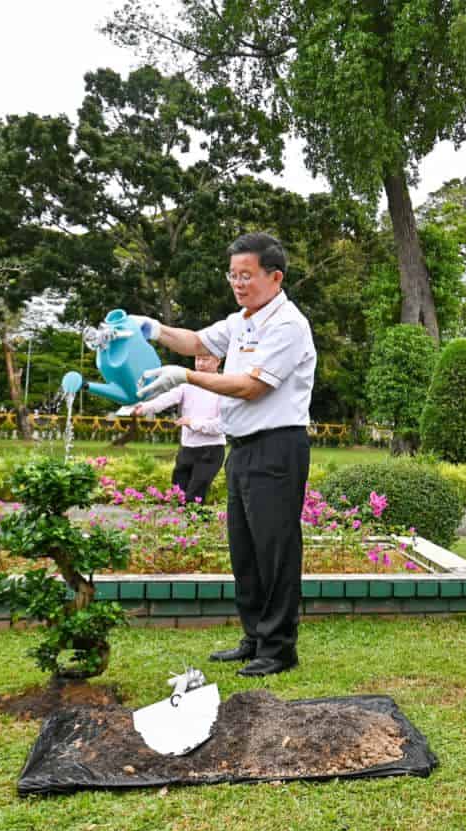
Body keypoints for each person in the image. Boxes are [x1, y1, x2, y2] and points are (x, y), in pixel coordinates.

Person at [134, 232, 316, 677]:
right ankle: (254, 637)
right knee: (245, 549)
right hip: (243, 447)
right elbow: (196, 341)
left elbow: (251, 387)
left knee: (275, 549)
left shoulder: (288, 325)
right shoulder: (242, 321)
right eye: (233, 275)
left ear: (275, 277)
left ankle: (279, 648)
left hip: (277, 446)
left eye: (246, 275)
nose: (238, 283)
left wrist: (186, 378)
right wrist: (153, 329)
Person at [133, 353, 226, 505]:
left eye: (205, 359)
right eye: (198, 359)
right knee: (178, 495)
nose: (200, 364)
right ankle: (179, 521)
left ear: (217, 361)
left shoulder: (224, 386)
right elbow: (166, 399)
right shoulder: (187, 385)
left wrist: (193, 423)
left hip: (211, 450)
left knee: (194, 497)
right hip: (186, 449)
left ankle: (197, 520)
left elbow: (222, 425)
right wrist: (145, 407)